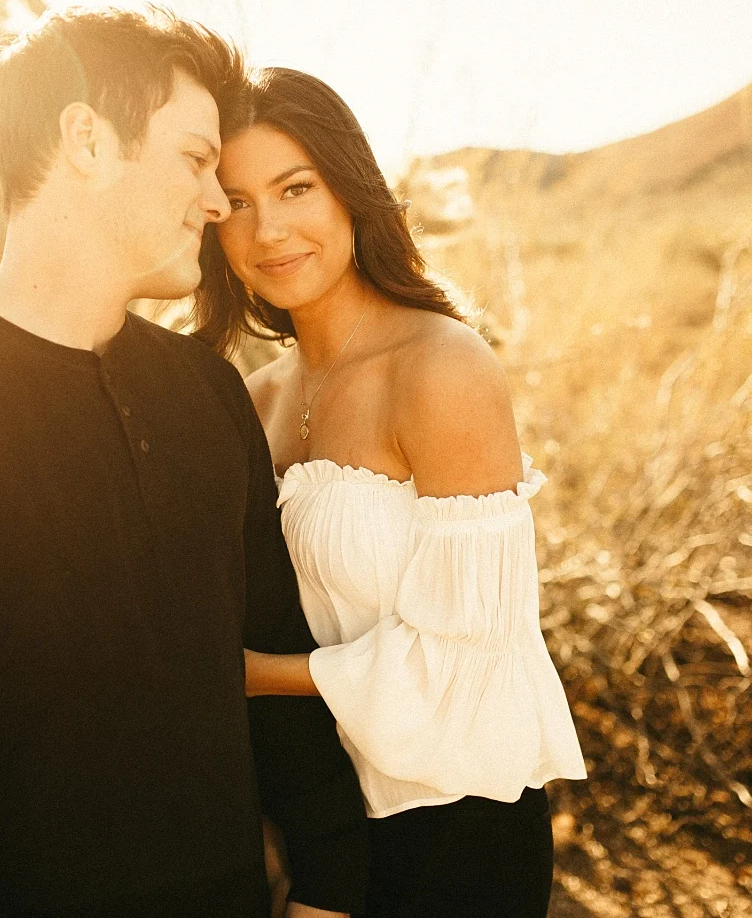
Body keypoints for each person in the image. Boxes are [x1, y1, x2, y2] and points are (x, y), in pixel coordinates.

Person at [0, 10, 368, 918]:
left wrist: (331, 884)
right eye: (195, 159)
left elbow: (271, 663)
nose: (216, 202)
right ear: (86, 138)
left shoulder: (207, 396)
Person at [192, 67, 588, 918]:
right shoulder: (255, 401)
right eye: (238, 202)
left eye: (296, 187)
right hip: (326, 824)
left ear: (350, 189)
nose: (271, 230)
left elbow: (470, 652)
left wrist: (249, 677)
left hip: (457, 823)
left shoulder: (442, 368)